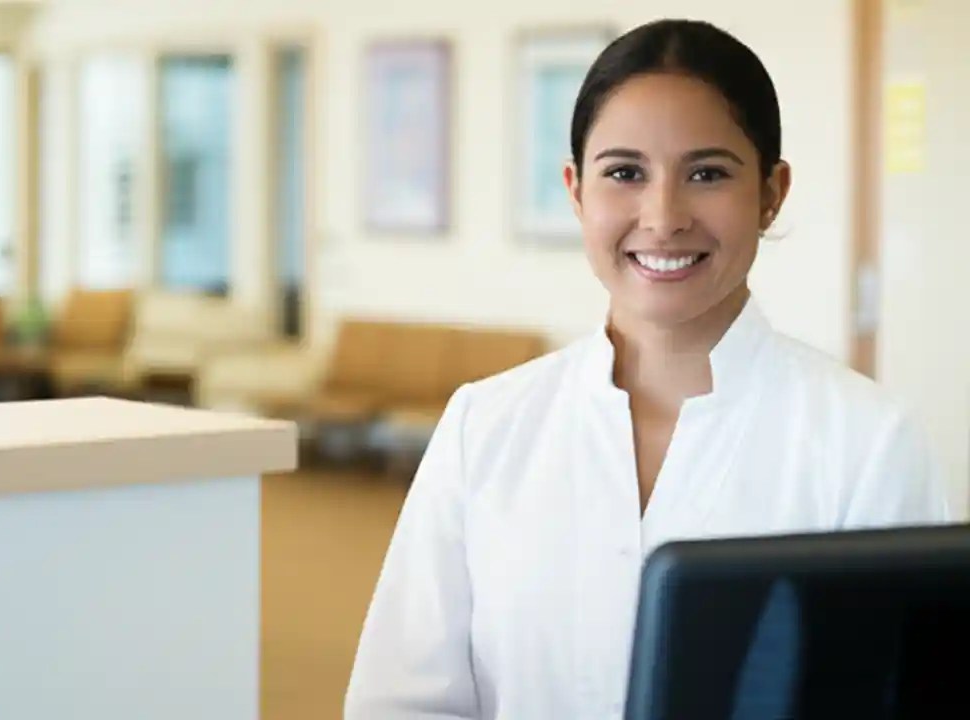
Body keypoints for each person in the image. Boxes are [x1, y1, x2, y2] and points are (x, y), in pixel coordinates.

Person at [344, 18, 950, 720]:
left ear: (771, 192)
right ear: (576, 190)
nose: (662, 217)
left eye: (707, 173)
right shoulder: (484, 426)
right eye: (624, 173)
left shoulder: (867, 444)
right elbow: (401, 703)